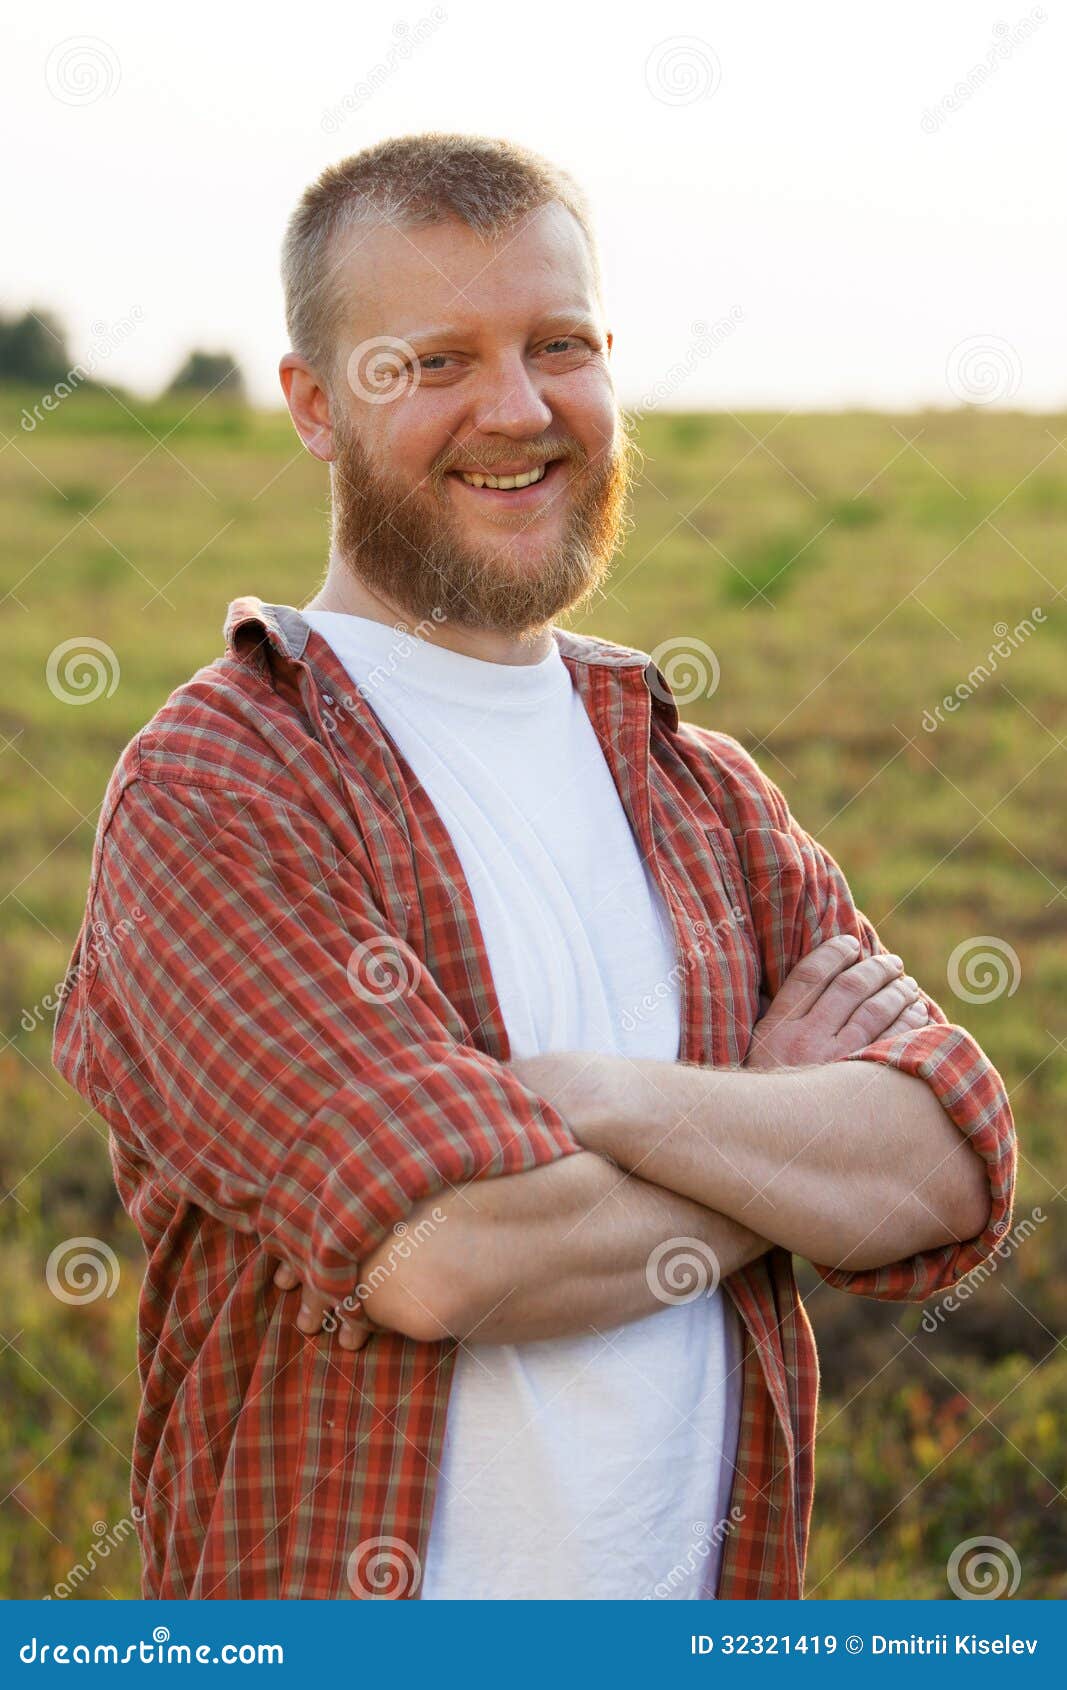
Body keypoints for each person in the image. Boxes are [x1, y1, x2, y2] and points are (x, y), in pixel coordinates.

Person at [52, 133, 1015, 1600]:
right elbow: (447, 1257)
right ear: (314, 405)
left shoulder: (698, 787)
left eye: (558, 345)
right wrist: (775, 1143)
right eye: (435, 361)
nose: (517, 409)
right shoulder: (222, 785)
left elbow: (947, 1169)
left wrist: (605, 1099)